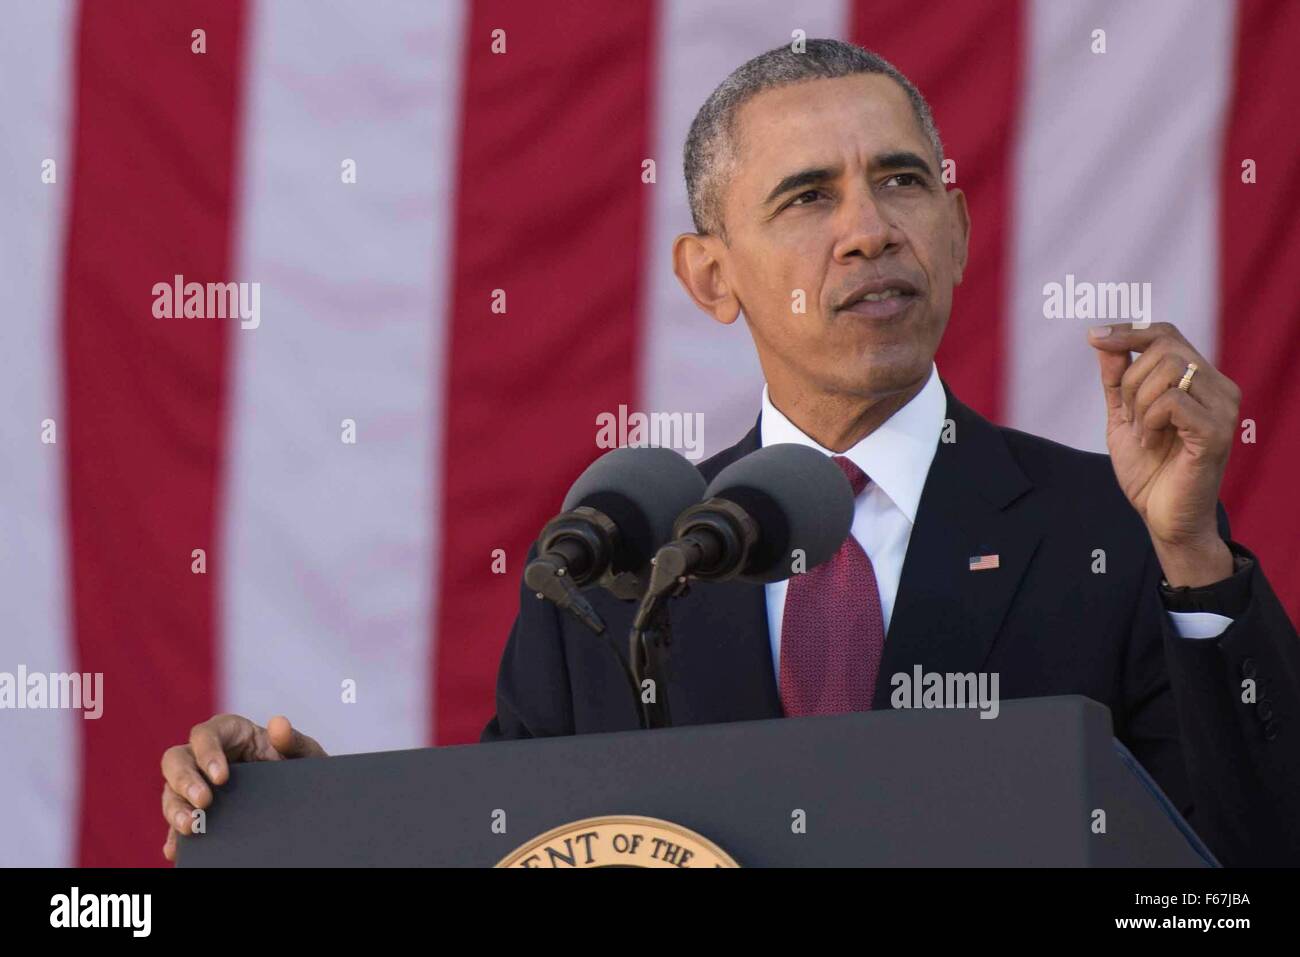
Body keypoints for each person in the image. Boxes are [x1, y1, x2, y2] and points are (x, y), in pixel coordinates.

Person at [160, 39, 1300, 866]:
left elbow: (1250, 853)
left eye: (901, 181)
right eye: (808, 196)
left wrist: (1192, 556)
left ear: (954, 231)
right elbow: (516, 849)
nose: (868, 229)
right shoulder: (615, 565)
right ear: (711, 277)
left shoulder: (1113, 526)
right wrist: (305, 827)